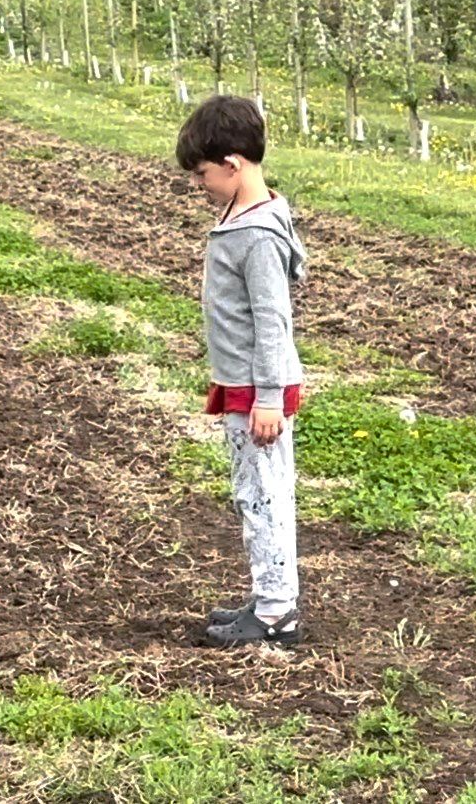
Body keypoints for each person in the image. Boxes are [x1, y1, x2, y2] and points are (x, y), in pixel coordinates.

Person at [176, 96, 307, 648]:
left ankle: (277, 613)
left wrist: (270, 398)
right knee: (253, 492)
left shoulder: (256, 235)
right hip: (243, 385)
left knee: (263, 496)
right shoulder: (242, 214)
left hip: (259, 393)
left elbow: (273, 321)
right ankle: (269, 592)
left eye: (203, 174)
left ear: (233, 164)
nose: (200, 184)